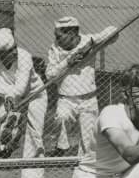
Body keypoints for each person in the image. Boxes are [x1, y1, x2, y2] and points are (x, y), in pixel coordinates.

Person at [0, 28, 47, 178]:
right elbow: (2, 84)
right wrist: (8, 98)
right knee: (3, 116)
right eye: (10, 51)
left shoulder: (24, 57)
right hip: (10, 96)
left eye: (15, 48)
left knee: (35, 135)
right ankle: (6, 147)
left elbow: (21, 89)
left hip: (35, 96)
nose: (15, 52)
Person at [46, 16, 119, 157]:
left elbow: (114, 31)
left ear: (72, 34)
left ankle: (83, 167)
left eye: (59, 36)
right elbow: (50, 75)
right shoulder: (54, 48)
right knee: (61, 117)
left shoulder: (88, 41)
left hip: (88, 99)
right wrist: (68, 62)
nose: (57, 39)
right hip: (66, 99)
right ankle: (62, 147)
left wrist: (93, 42)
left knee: (89, 141)